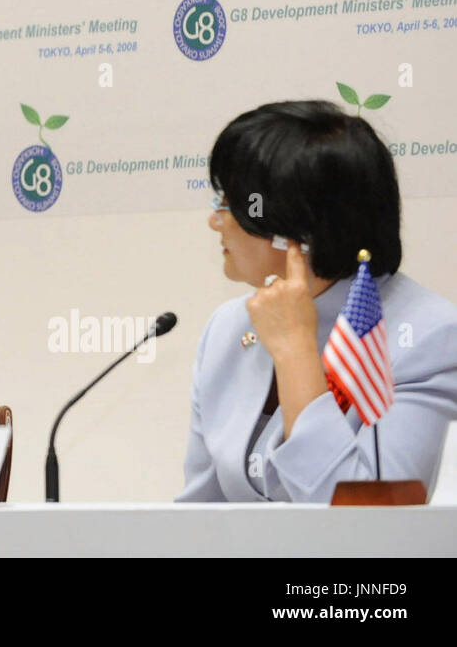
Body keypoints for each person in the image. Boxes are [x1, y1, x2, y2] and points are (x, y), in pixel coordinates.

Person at [178, 100, 457, 503]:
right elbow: (199, 512)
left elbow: (372, 524)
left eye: (230, 203)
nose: (215, 219)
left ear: (292, 228)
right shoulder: (228, 327)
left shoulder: (431, 338)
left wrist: (295, 352)